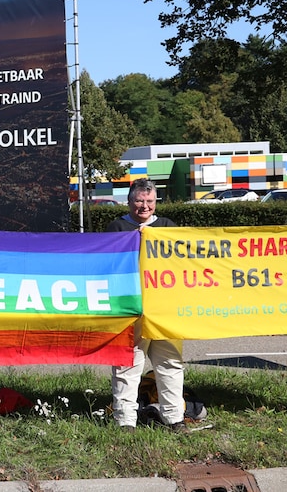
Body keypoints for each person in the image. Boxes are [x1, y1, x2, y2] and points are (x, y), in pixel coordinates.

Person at [105, 178, 186, 432]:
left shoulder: (168, 227)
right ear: (129, 201)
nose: (144, 206)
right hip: (130, 310)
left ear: (155, 202)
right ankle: (126, 421)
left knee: (170, 364)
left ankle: (174, 418)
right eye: (139, 201)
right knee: (127, 365)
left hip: (164, 310)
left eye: (149, 201)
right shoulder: (115, 228)